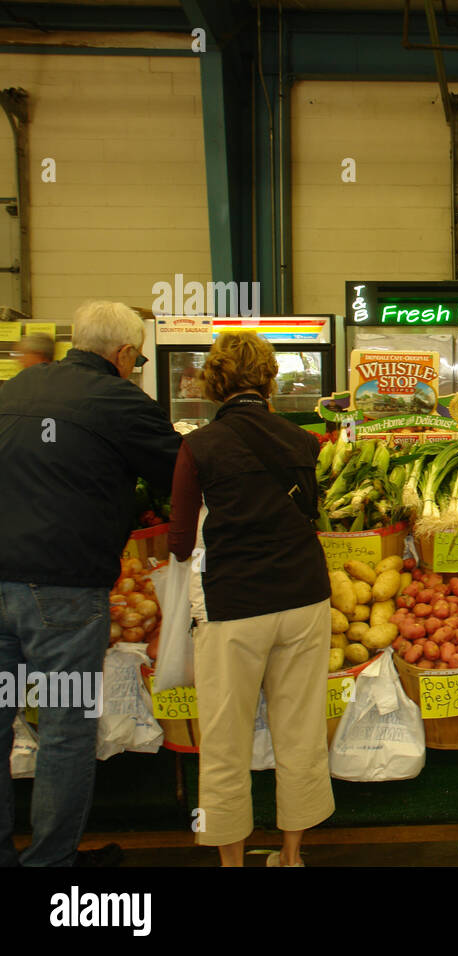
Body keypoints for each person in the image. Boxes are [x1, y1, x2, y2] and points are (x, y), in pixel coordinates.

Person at [0, 301, 180, 867]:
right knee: (64, 729)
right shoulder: (122, 401)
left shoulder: (13, 390)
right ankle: (51, 864)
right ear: (125, 354)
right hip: (63, 593)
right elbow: (181, 475)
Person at [167, 332, 334, 867]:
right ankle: (290, 855)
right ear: (270, 381)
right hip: (305, 599)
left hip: (233, 605)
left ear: (215, 383)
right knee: (301, 731)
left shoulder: (198, 447)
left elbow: (177, 540)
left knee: (225, 741)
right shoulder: (305, 443)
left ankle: (233, 862)